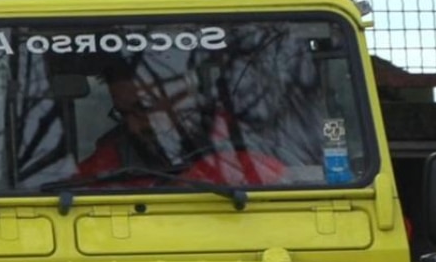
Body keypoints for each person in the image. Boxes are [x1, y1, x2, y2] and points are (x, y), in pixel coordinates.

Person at [72, 60, 287, 187]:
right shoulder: (109, 160)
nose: (133, 126)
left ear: (182, 97)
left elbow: (280, 189)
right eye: (124, 113)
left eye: (144, 110)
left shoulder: (245, 143)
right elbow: (72, 195)